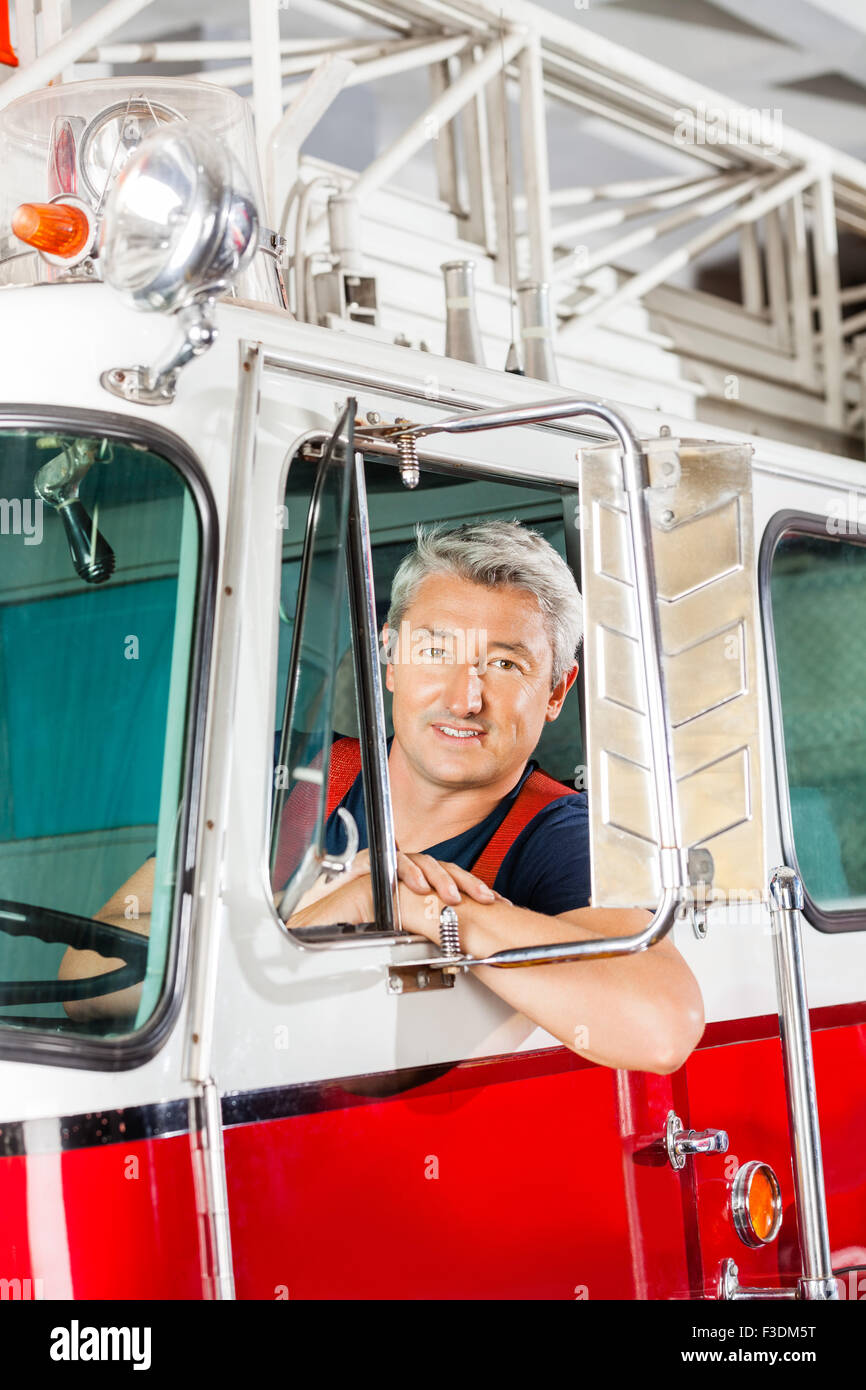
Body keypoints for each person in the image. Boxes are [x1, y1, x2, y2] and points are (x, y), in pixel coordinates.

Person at [60, 521, 704, 1074]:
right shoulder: (288, 780)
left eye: (505, 665)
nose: (464, 699)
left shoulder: (562, 837)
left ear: (558, 690)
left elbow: (660, 1029)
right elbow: (86, 979)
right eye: (436, 651)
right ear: (390, 658)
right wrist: (329, 910)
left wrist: (419, 908)